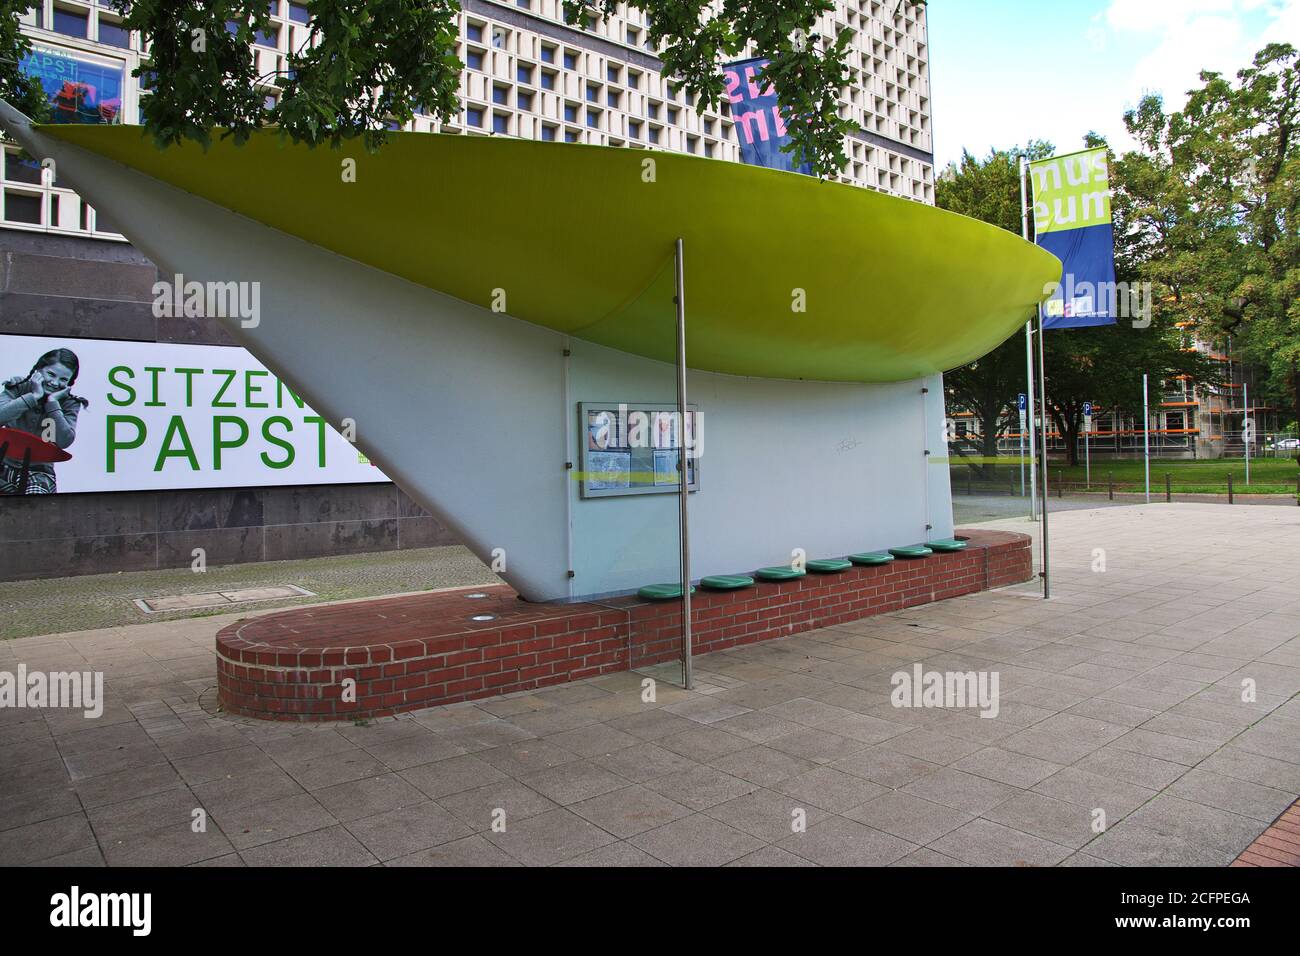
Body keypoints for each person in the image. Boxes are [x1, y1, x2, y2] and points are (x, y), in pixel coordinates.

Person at [0, 348, 89, 494]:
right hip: (3, 463)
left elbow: (65, 441)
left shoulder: (70, 403)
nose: (55, 383)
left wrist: (52, 403)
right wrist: (33, 397)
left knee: (34, 504)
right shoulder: (17, 386)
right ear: (38, 370)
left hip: (38, 472)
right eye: (51, 374)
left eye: (63, 379)